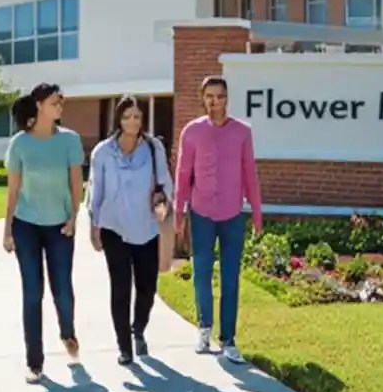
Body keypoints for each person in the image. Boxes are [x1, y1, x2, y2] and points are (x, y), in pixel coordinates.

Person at [173, 75, 263, 364]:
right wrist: (178, 211)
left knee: (230, 278)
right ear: (203, 99)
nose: (215, 102)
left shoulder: (242, 132)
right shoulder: (191, 132)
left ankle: (228, 339)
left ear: (227, 98)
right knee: (201, 273)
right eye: (209, 96)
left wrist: (257, 213)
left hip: (232, 214)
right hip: (200, 213)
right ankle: (204, 329)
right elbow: (183, 175)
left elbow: (250, 173)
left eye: (220, 96)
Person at [2, 82, 85, 383]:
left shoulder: (70, 141)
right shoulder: (20, 144)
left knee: (62, 289)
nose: (60, 105)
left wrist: (75, 217)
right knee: (32, 292)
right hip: (26, 225)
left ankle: (67, 331)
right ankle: (34, 362)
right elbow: (13, 190)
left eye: (61, 101)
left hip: (60, 226)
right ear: (39, 105)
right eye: (54, 101)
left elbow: (76, 183)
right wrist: (7, 229)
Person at [87, 94, 173, 366]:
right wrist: (94, 226)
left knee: (147, 288)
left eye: (137, 117)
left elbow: (164, 182)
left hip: (146, 227)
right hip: (114, 227)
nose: (133, 122)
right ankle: (124, 345)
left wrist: (163, 204)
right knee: (120, 288)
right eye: (127, 117)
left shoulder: (153, 147)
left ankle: (138, 329)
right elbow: (95, 191)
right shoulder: (102, 151)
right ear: (118, 119)